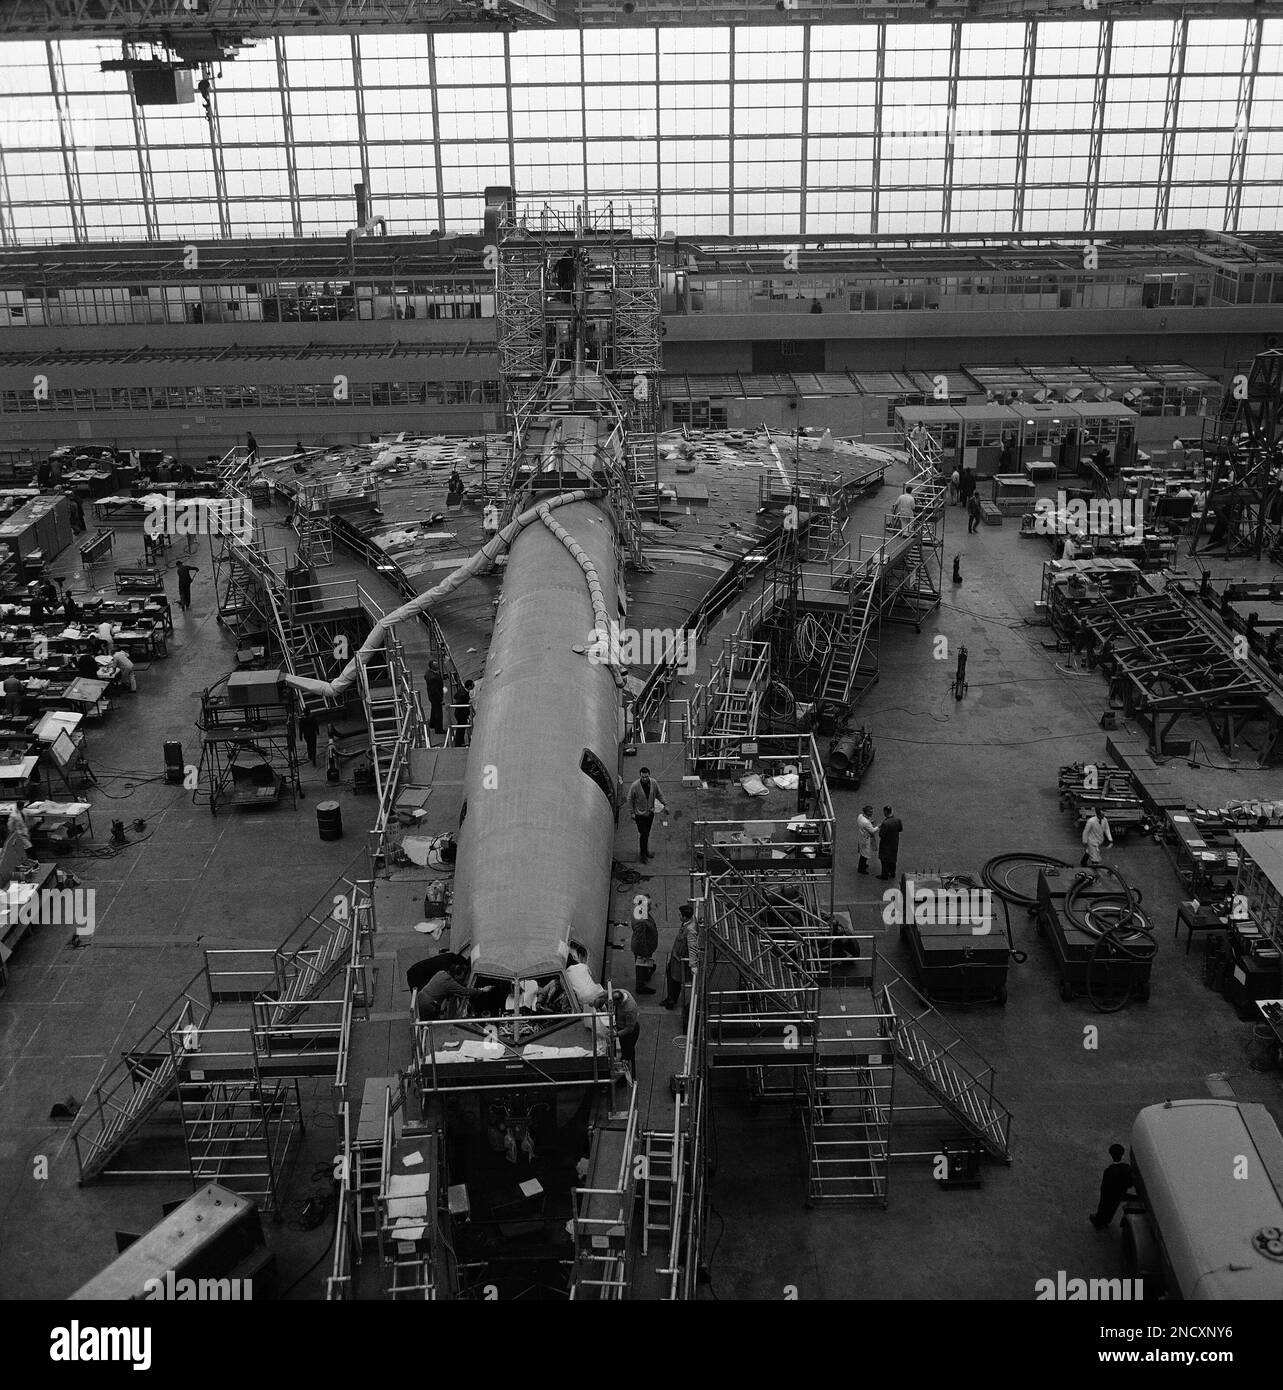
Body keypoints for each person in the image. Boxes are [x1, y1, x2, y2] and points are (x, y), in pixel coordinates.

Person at [414, 963, 482, 1021]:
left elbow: (441, 988)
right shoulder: (450, 982)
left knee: (420, 1019)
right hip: (428, 1005)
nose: (462, 978)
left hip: (420, 997)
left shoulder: (441, 972)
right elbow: (465, 991)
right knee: (429, 1025)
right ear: (456, 975)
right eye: (461, 976)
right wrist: (481, 990)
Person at [1090, 1143, 1134, 1229]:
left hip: (1109, 1194)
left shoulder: (1109, 1171)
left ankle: (1098, 1221)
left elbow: (1104, 1187)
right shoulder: (1127, 1168)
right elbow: (1130, 1183)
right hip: (1120, 1194)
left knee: (1103, 1207)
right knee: (1113, 1207)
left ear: (1111, 1155)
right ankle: (1107, 1220)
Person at [627, 766, 665, 863]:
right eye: (643, 777)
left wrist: (665, 804)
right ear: (640, 776)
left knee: (646, 834)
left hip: (650, 813)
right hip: (639, 815)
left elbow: (659, 794)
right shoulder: (635, 786)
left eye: (646, 777)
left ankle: (645, 852)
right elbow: (630, 799)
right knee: (643, 834)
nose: (644, 779)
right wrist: (632, 812)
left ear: (649, 775)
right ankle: (643, 855)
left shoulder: (653, 783)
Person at [664, 904, 694, 1009]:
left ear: (685, 917)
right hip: (675, 959)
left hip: (680, 961)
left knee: (675, 981)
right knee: (671, 977)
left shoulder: (690, 931)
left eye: (680, 915)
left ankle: (671, 1000)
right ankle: (670, 998)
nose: (679, 916)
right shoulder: (685, 925)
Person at [610, 988, 640, 1084]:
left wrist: (617, 1034)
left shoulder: (629, 1009)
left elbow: (629, 1029)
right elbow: (606, 993)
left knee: (627, 1056)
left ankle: (626, 1080)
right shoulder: (622, 992)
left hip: (629, 1034)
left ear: (619, 1002)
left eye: (614, 1005)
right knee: (623, 1054)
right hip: (620, 1026)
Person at [632, 909, 658, 995]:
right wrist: (645, 952)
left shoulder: (641, 913)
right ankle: (640, 986)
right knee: (640, 966)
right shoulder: (641, 921)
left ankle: (646, 975)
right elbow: (640, 939)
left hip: (646, 946)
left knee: (642, 966)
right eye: (649, 904)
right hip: (643, 949)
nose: (651, 906)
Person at [877, 806, 903, 881]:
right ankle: (892, 873)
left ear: (885, 812)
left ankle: (884, 875)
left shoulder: (885, 823)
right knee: (893, 858)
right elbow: (900, 829)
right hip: (894, 843)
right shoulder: (898, 820)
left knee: (884, 859)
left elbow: (881, 835)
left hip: (886, 844)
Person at [424, 660, 445, 738]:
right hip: (435, 697)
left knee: (434, 709)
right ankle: (438, 729)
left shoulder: (428, 673)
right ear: (432, 666)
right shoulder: (433, 678)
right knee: (438, 713)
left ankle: (432, 724)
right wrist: (441, 699)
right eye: (436, 665)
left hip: (431, 696)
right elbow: (435, 691)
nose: (438, 665)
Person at [856, 804, 878, 876]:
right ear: (866, 812)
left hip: (861, 836)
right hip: (865, 839)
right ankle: (861, 869)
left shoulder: (860, 816)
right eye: (870, 812)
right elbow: (872, 831)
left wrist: (869, 823)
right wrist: (878, 826)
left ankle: (863, 865)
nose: (872, 813)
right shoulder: (866, 822)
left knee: (863, 852)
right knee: (865, 854)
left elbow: (864, 824)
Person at [451, 678, 470, 747]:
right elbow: (460, 702)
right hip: (461, 714)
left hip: (458, 713)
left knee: (460, 728)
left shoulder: (461, 690)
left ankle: (459, 742)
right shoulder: (464, 694)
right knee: (461, 729)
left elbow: (455, 696)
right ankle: (459, 743)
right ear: (470, 686)